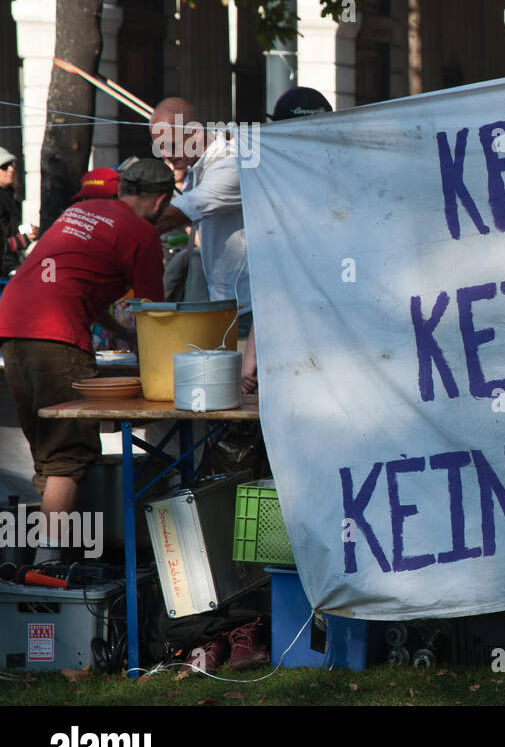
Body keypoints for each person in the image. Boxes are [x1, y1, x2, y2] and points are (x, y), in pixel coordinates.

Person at [0, 156, 172, 551]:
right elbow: (156, 316)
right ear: (161, 202)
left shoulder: (82, 211)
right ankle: (51, 568)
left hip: (11, 325)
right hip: (55, 335)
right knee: (68, 454)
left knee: (46, 450)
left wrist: (119, 332)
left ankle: (39, 564)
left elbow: (69, 281)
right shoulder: (142, 233)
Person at [239, 87, 334, 394]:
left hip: (325, 339)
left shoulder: (280, 186)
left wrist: (253, 351)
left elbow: (276, 276)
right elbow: (275, 275)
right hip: (307, 340)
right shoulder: (274, 184)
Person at [148, 98, 250, 327]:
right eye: (159, 146)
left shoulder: (228, 166)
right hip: (225, 304)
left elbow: (174, 216)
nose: (165, 154)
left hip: (246, 306)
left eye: (171, 145)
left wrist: (122, 231)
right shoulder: (198, 165)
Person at [0, 147, 35, 275]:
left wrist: (27, 231)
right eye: (4, 166)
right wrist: (24, 239)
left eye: (12, 164)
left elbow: (11, 228)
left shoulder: (12, 196)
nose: (11, 169)